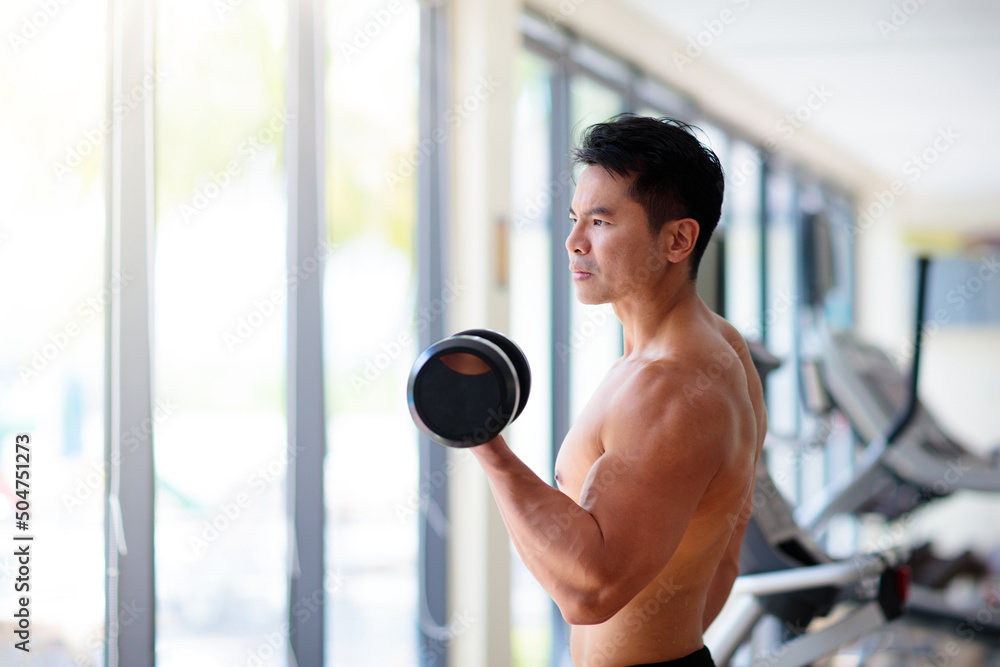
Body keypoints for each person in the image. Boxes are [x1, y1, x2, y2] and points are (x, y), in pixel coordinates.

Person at [471, 114, 767, 667]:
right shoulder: (719, 350)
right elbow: (726, 550)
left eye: (601, 222)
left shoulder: (673, 388)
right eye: (574, 217)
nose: (574, 241)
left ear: (678, 239)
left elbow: (590, 594)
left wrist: (485, 444)